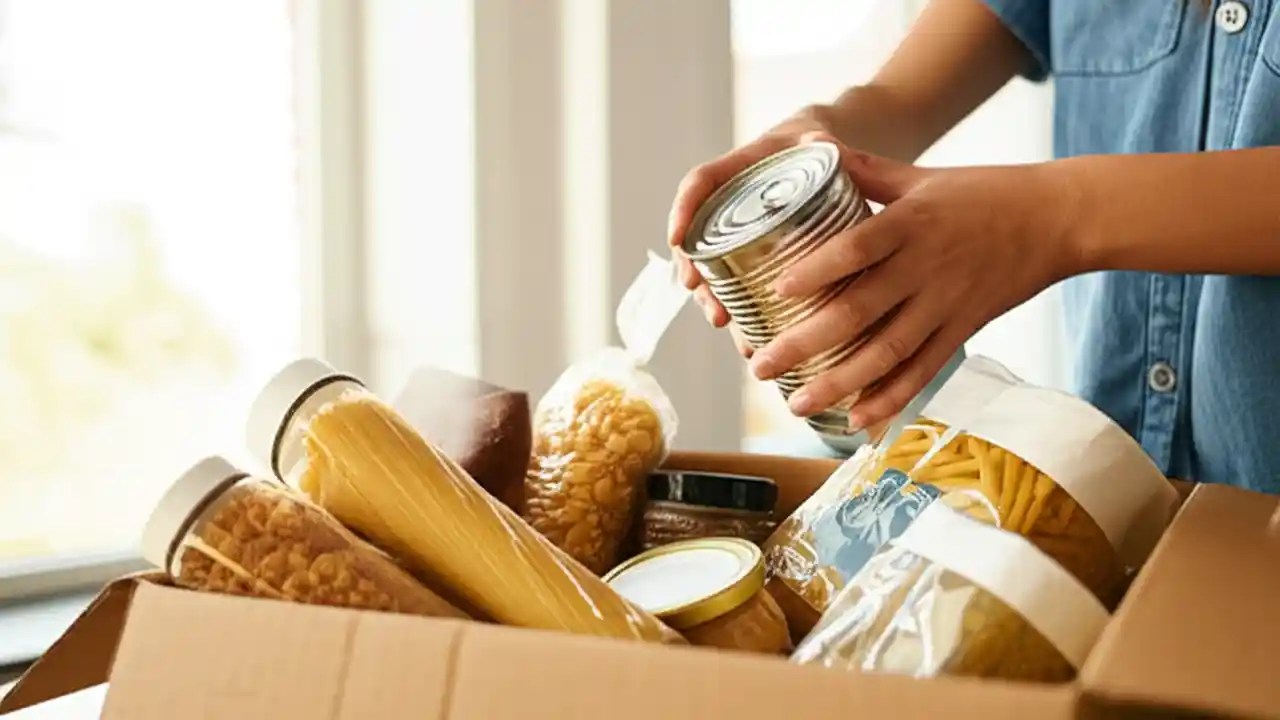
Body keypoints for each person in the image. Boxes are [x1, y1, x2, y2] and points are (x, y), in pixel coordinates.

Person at [667, 0, 1280, 493]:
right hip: (1130, 498)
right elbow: (900, 100)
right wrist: (822, 139)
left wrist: (1051, 220)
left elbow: (1052, 218)